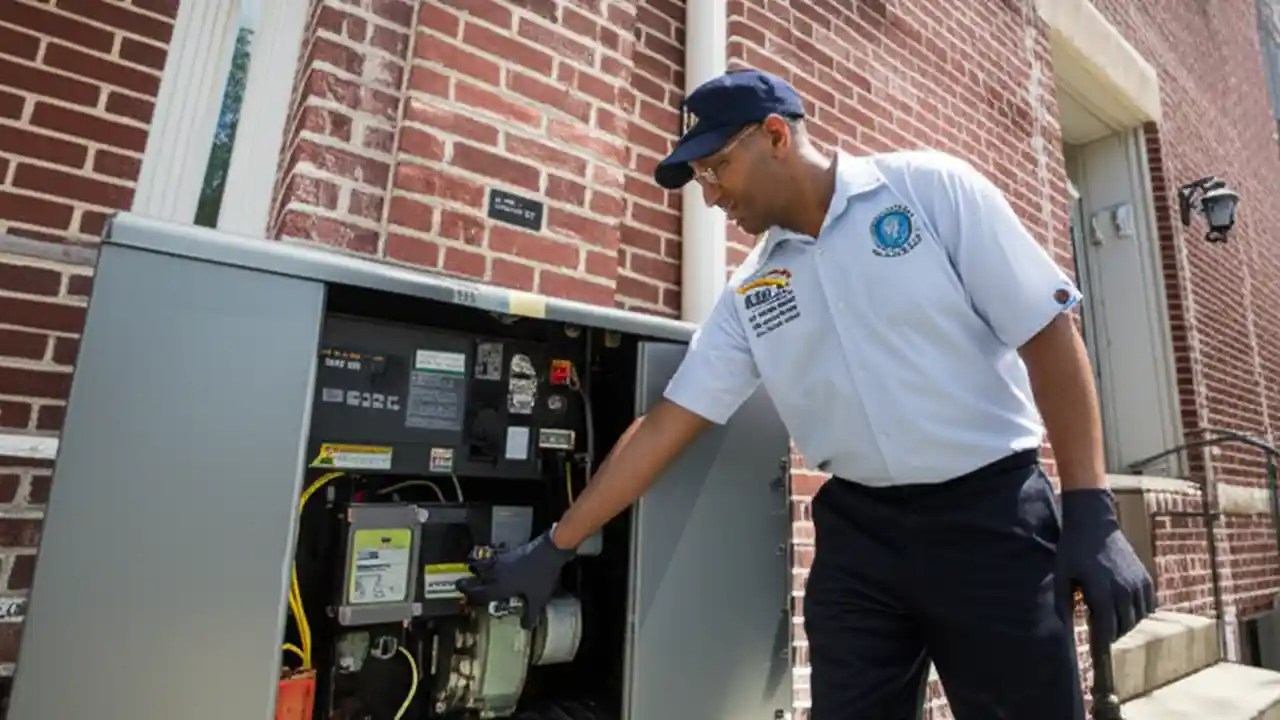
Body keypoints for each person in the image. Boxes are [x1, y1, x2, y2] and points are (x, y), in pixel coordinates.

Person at [457, 68, 1155, 719]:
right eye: (700, 176)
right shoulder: (753, 291)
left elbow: (1048, 334)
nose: (710, 193)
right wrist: (555, 545)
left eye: (716, 167)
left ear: (776, 137)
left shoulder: (930, 191)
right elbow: (668, 424)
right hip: (861, 538)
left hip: (989, 516)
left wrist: (1091, 509)